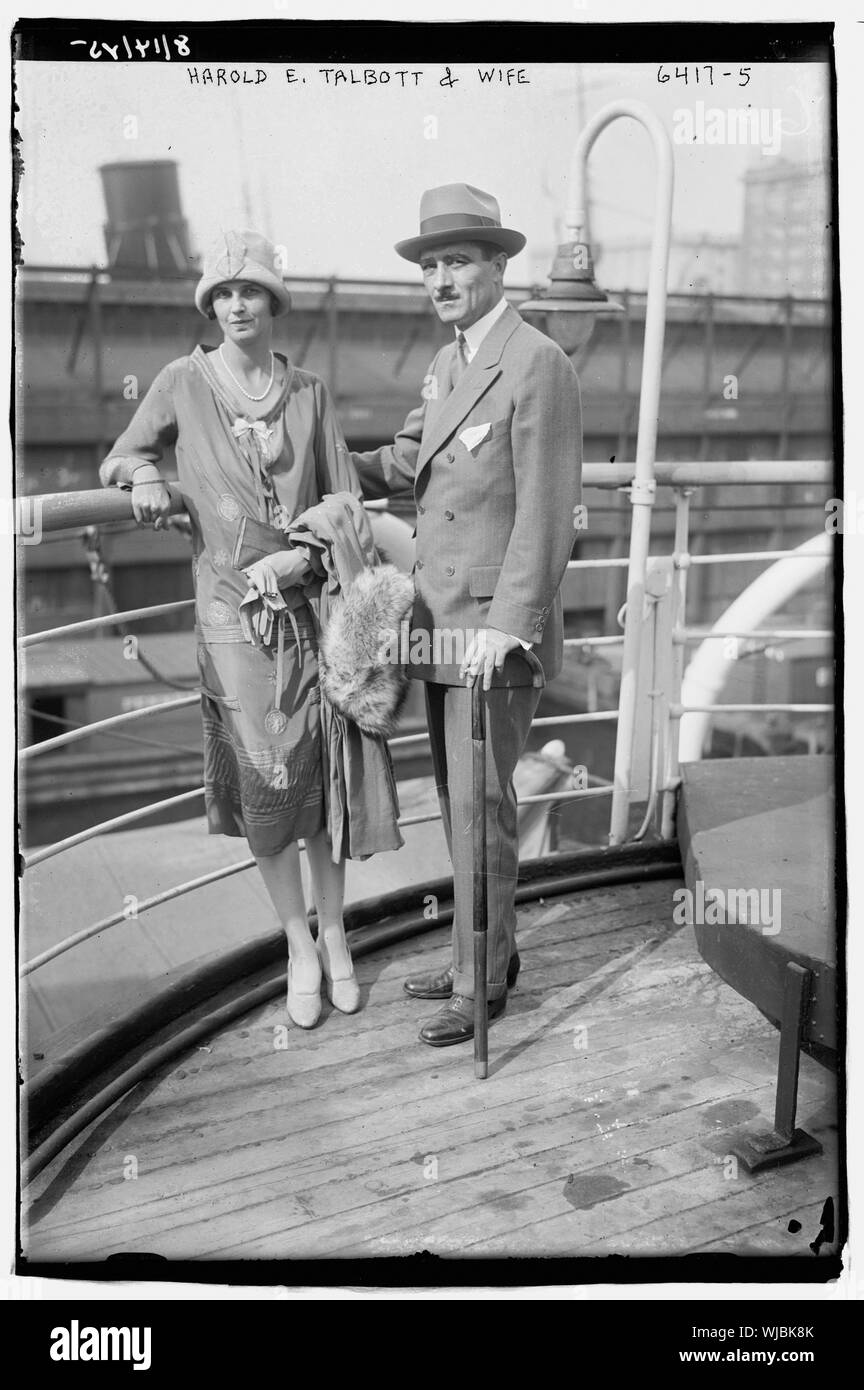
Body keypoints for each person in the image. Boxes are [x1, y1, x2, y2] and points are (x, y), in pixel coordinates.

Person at [99, 229, 402, 1031]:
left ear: (274, 303)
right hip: (230, 620)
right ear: (211, 306)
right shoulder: (180, 381)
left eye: (251, 292)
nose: (236, 305)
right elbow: (123, 454)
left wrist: (302, 561)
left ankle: (337, 936)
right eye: (223, 294)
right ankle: (297, 946)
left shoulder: (309, 392)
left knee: (323, 775)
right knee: (268, 783)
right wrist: (145, 477)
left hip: (308, 611)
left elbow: (347, 505)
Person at [351, 183, 583, 1047]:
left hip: (493, 635)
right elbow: (414, 456)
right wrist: (323, 467)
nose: (442, 279)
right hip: (442, 626)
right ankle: (479, 955)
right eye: (431, 266)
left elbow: (549, 510)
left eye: (458, 262)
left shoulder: (536, 362)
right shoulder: (450, 361)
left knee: (482, 811)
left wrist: (508, 622)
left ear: (497, 266)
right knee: (459, 808)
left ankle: (479, 983)